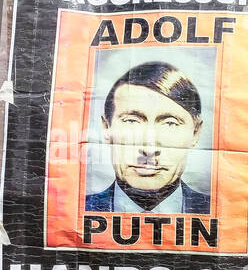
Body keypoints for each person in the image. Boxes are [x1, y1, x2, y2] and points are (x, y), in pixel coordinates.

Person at [87, 60, 210, 213]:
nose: (148, 148)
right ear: (106, 128)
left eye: (170, 124)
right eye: (131, 121)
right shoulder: (73, 212)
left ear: (195, 133)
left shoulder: (223, 214)